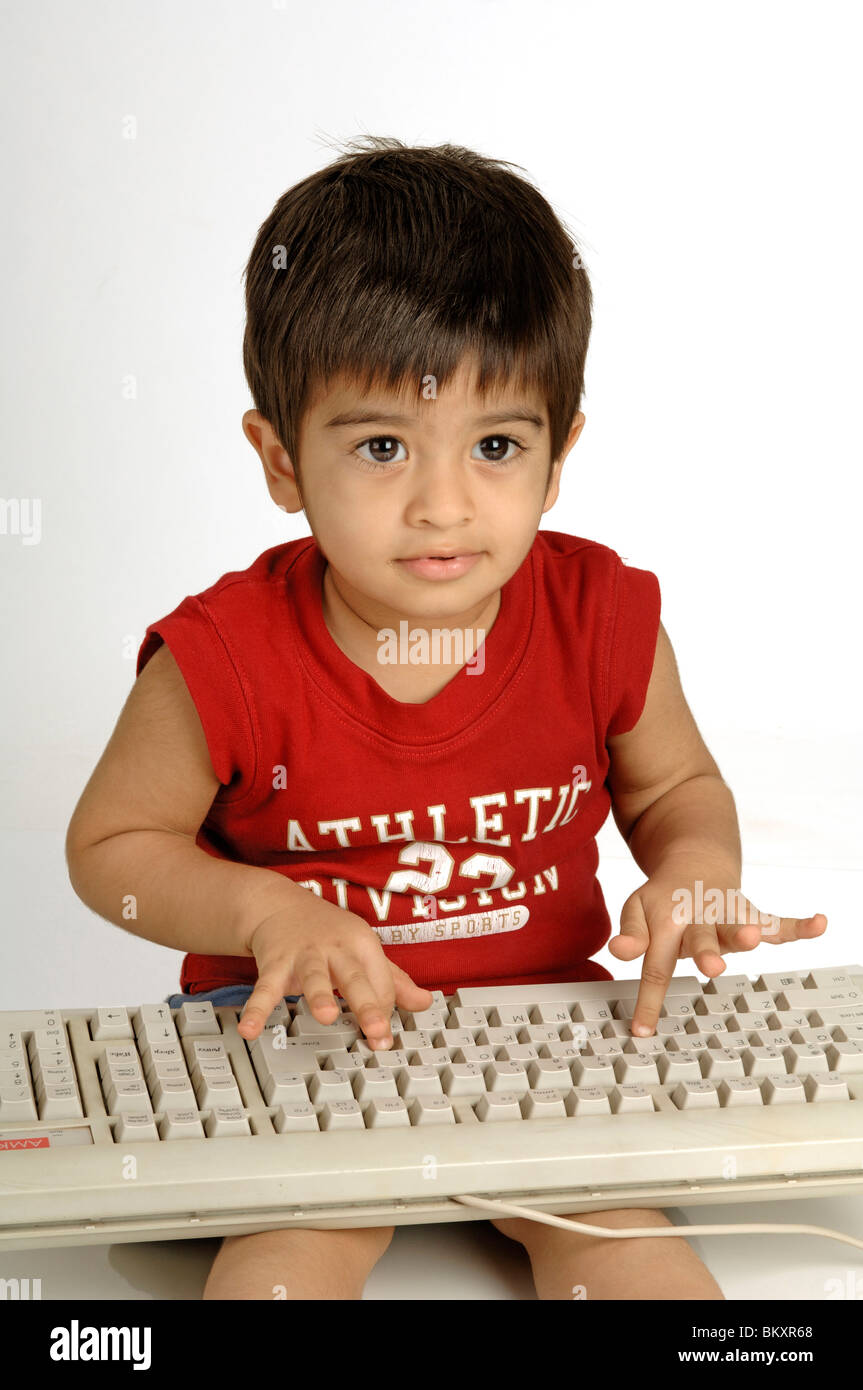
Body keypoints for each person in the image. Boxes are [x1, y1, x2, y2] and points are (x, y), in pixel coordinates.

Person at [65, 137, 827, 1300]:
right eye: (380, 446)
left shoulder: (599, 617)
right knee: (293, 1251)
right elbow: (111, 848)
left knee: (627, 1248)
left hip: (544, 1026)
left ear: (557, 457)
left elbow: (674, 789)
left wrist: (694, 871)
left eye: (495, 446)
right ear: (280, 459)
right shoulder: (224, 657)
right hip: (300, 1029)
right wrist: (266, 911)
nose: (441, 503)